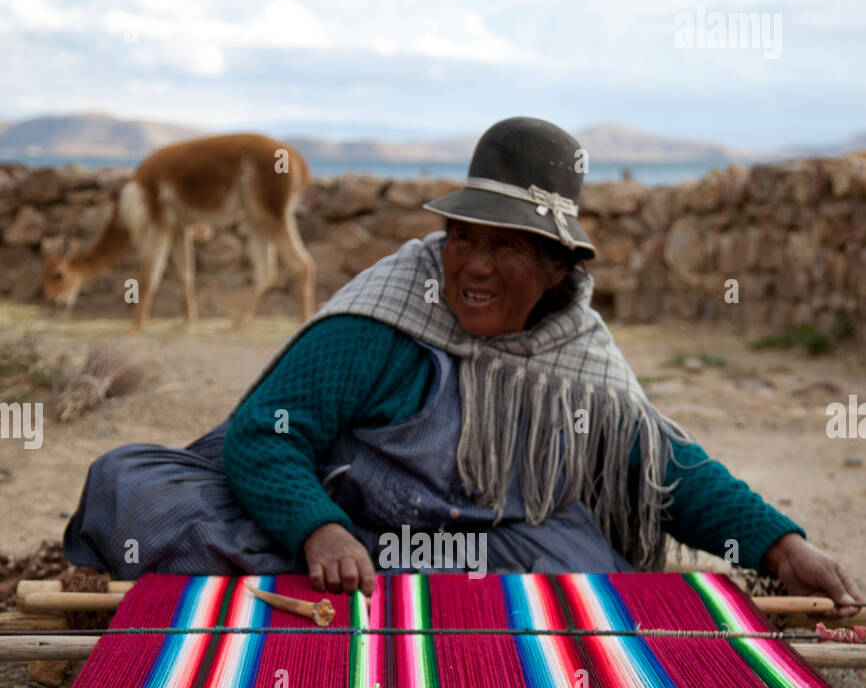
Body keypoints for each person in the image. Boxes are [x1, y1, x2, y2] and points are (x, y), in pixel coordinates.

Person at [64, 117, 862, 613]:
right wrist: (317, 528)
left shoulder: (576, 357)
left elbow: (661, 470)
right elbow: (263, 438)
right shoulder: (382, 316)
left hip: (472, 544)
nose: (473, 265)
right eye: (463, 239)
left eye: (506, 245)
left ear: (556, 268)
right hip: (340, 527)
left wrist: (780, 548)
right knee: (132, 486)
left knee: (591, 583)